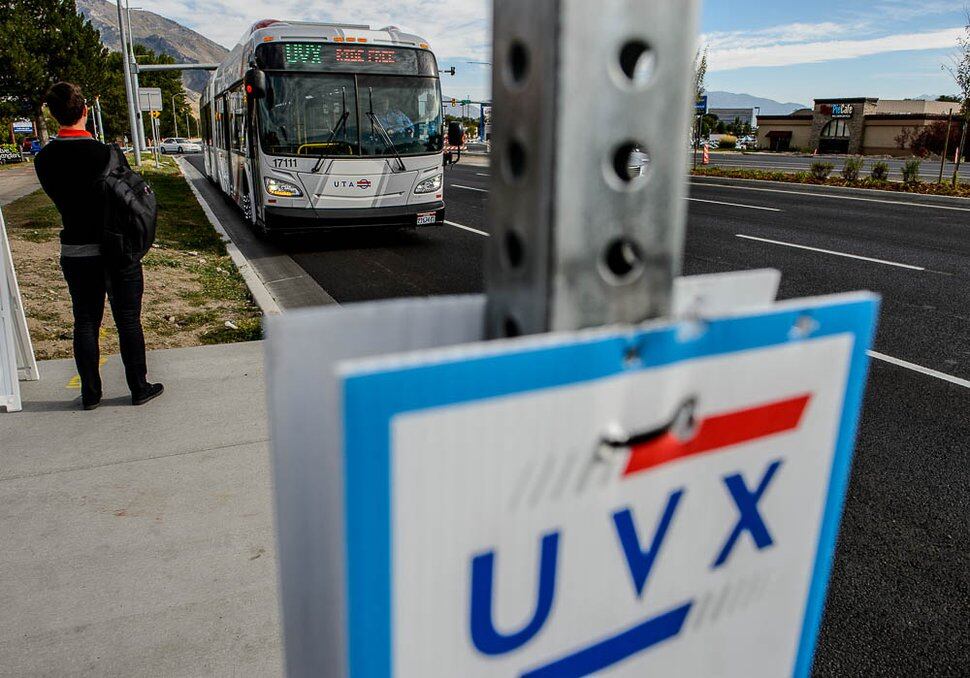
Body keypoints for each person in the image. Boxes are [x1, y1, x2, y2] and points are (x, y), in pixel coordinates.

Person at [34, 82, 163, 410]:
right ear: (85, 111)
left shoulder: (44, 159)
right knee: (128, 320)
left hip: (76, 251)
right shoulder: (107, 154)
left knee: (86, 321)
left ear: (52, 114)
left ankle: (90, 393)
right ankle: (138, 387)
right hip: (116, 251)